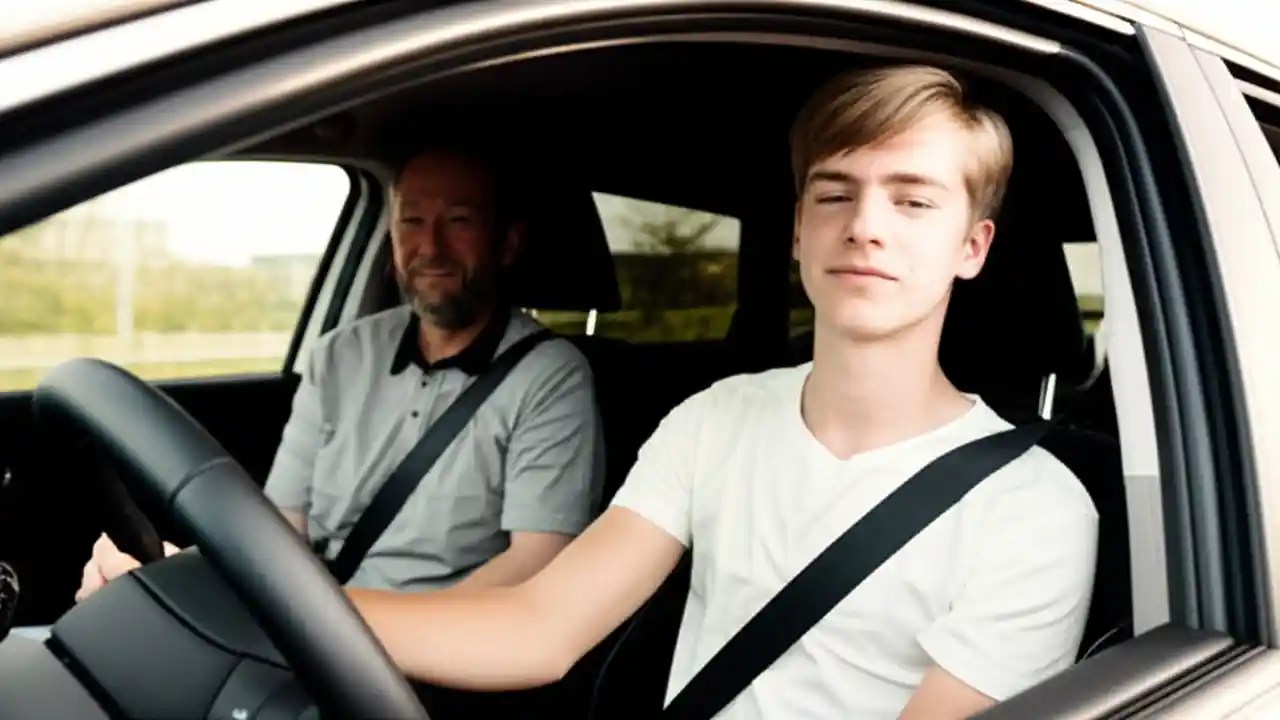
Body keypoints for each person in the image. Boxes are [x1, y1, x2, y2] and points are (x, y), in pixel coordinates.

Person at [339, 65, 1099, 719]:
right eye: (834, 194)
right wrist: (292, 607)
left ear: (972, 247)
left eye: (913, 201)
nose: (866, 225)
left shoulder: (1034, 510)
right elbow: (540, 629)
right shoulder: (714, 420)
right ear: (798, 229)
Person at [76, 143, 606, 599]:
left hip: (441, 657)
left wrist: (366, 635)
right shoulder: (340, 353)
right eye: (412, 220)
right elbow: (282, 527)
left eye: (459, 221)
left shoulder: (553, 378)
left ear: (507, 243)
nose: (431, 247)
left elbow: (536, 565)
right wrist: (182, 578)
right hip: (319, 623)